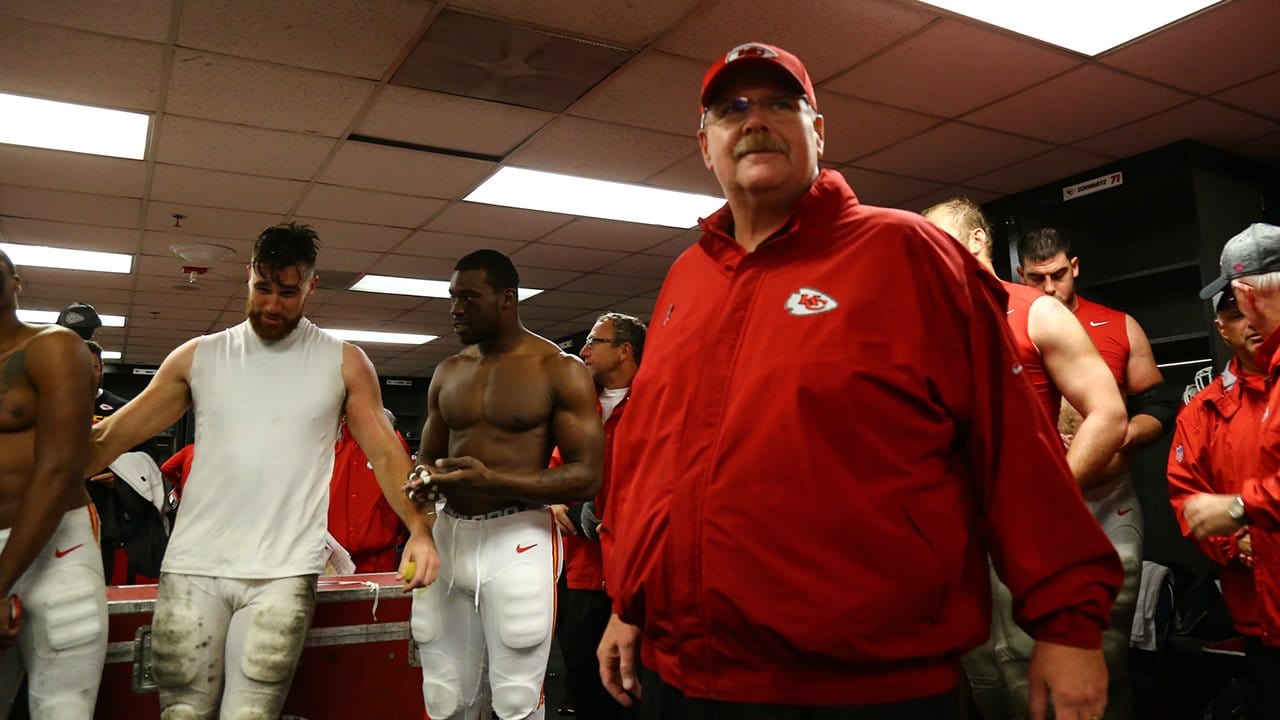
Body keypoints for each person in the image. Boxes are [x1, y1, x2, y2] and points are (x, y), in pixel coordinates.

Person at [597, 42, 1122, 720]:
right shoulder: (684, 281)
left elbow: (1013, 448)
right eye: (731, 110)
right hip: (687, 680)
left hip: (867, 688)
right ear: (705, 146)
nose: (755, 121)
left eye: (781, 105)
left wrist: (1067, 625)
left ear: (818, 132)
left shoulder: (906, 253)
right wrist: (630, 601)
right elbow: (650, 461)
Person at [86, 223, 438, 719]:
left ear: (311, 287)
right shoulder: (199, 357)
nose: (273, 305)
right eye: (263, 289)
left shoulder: (343, 363)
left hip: (283, 571)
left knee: (251, 714)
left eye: (288, 293)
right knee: (182, 712)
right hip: (195, 564)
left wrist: (420, 530)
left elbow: (385, 457)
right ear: (248, 276)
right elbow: (111, 437)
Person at [924, 199, 1128, 718]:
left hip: (1021, 527)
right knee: (981, 670)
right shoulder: (927, 322)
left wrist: (1047, 497)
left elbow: (1107, 413)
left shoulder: (1036, 310)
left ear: (975, 242)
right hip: (956, 537)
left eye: (936, 238)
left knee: (1029, 668)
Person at [404, 249, 603, 720]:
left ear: (507, 299)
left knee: (516, 698)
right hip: (450, 536)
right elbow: (426, 457)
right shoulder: (449, 371)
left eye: (469, 298)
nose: (456, 309)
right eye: (452, 298)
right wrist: (423, 479)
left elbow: (588, 475)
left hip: (519, 536)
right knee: (445, 698)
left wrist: (495, 479)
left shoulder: (558, 370)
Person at [1017, 227, 1174, 718]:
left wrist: (1122, 433)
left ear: (1076, 267)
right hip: (1036, 514)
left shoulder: (1117, 324)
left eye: (1058, 275)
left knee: (1107, 655)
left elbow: (1159, 403)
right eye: (1035, 277)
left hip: (1109, 503)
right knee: (1024, 657)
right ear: (1019, 274)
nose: (1048, 289)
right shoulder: (1011, 323)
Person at [0, 249, 107, 718]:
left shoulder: (55, 346)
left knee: (62, 710)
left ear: (17, 282)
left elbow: (59, 469)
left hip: (57, 552)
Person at [1184, 222, 1280, 713]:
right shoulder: (1203, 412)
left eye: (1250, 301)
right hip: (1260, 610)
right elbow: (1188, 498)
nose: (1248, 319)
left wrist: (1246, 510)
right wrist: (1232, 541)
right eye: (1233, 312)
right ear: (1222, 329)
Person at [551, 312, 646, 720]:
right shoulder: (573, 406)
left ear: (625, 350)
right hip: (583, 574)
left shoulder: (658, 401)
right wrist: (552, 502)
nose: (584, 350)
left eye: (595, 341)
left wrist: (615, 515)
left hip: (636, 576)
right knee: (584, 683)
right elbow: (552, 474)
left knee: (634, 688)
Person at [329, 409, 411, 573]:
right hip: (327, 562)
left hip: (378, 563)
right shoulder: (322, 436)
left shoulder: (389, 437)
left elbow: (408, 496)